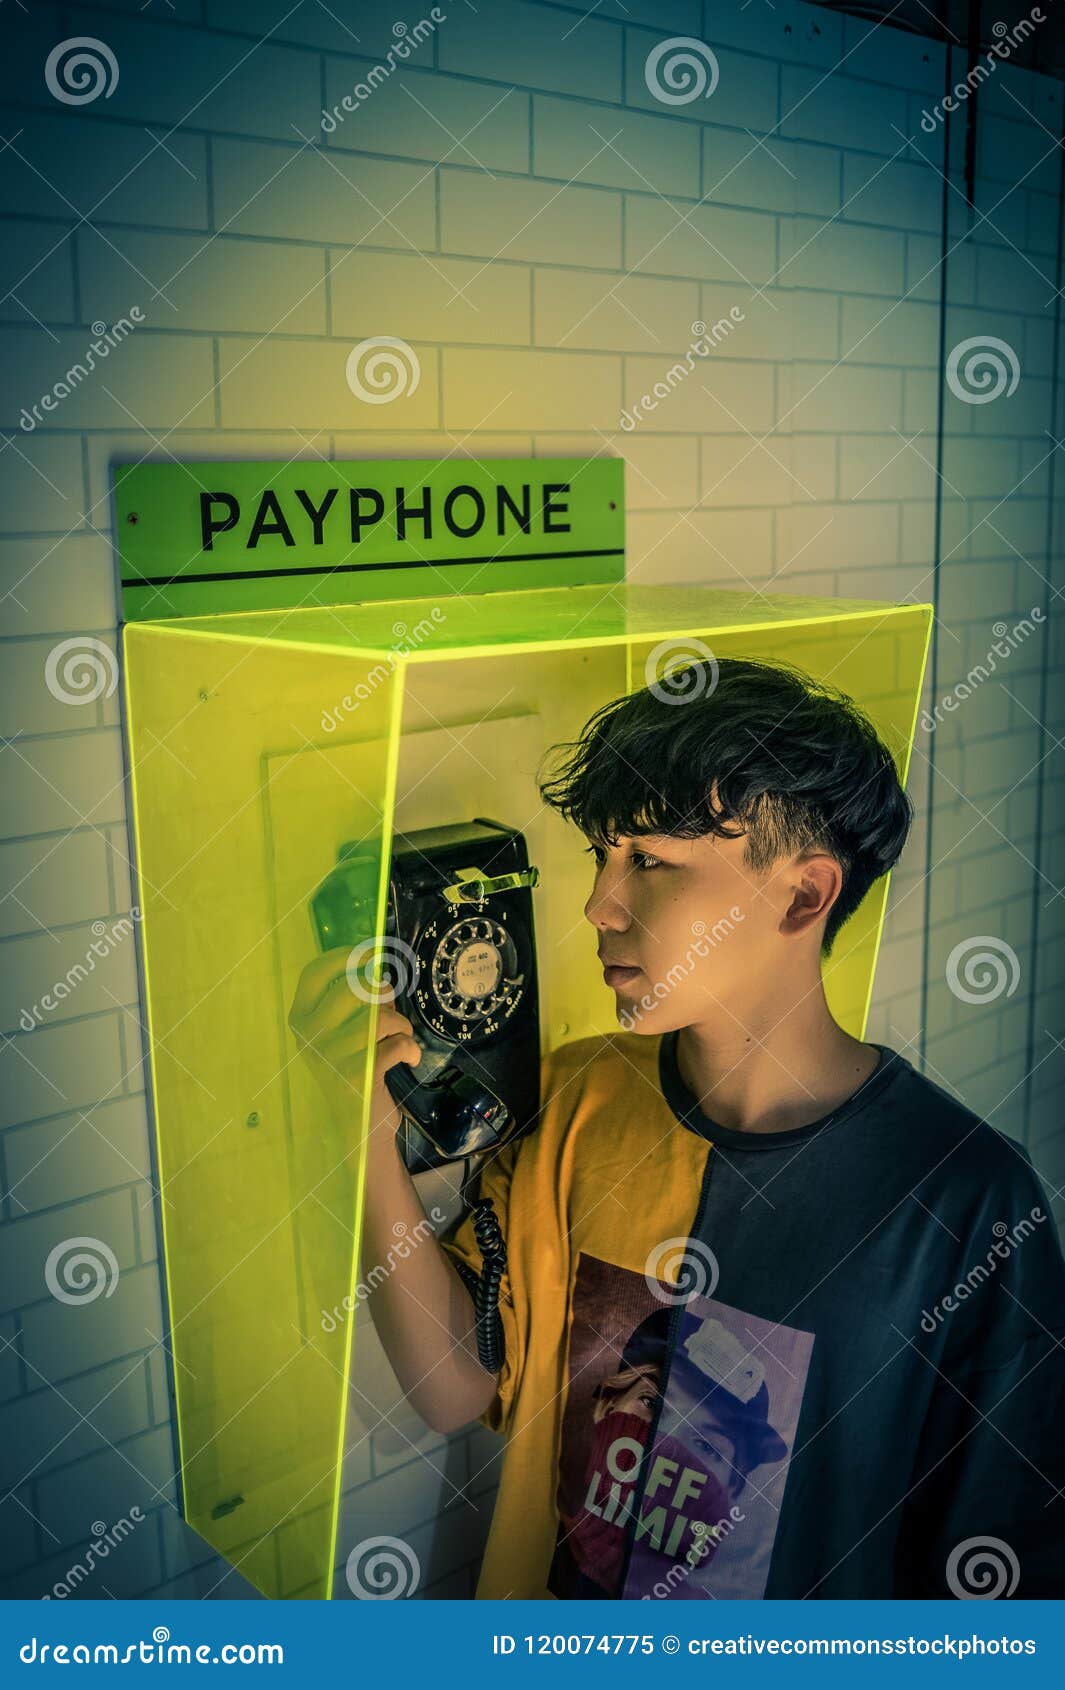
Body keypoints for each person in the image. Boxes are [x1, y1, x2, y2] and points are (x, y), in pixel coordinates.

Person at [289, 655, 1065, 1599]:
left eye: (649, 860)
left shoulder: (963, 1197)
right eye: (602, 857)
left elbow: (998, 1572)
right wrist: (363, 1131)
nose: (597, 905)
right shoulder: (577, 1100)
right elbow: (456, 1388)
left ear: (801, 895)